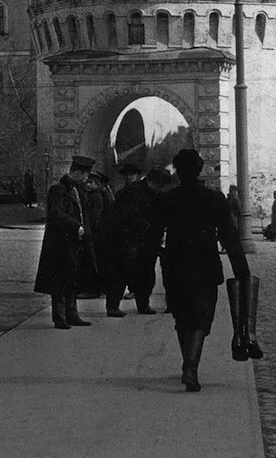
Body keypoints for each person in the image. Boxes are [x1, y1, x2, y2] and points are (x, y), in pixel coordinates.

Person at [149, 149, 258, 393]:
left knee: (181, 316)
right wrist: (242, 270)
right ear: (200, 170)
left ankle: (188, 364)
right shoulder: (214, 198)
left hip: (175, 266)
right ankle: (191, 367)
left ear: (177, 170)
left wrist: (146, 265)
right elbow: (229, 237)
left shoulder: (168, 199)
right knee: (201, 317)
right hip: (205, 266)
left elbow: (153, 234)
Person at [33, 155, 96, 330]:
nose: (85, 179)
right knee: (59, 281)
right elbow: (55, 213)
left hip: (75, 242)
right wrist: (76, 226)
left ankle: (72, 314)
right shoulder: (58, 190)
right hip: (60, 243)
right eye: (84, 175)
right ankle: (59, 318)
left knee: (72, 279)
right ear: (76, 172)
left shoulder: (78, 190)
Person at [102, 162, 159, 317]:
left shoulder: (142, 192)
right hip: (126, 239)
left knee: (143, 273)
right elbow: (127, 216)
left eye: (131, 174)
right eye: (127, 174)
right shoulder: (130, 192)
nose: (129, 177)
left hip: (139, 240)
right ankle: (114, 306)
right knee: (121, 273)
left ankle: (142, 304)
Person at [77, 171, 114, 296]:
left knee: (91, 262)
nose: (87, 185)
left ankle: (91, 290)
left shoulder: (95, 196)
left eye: (90, 183)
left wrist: (88, 231)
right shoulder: (96, 194)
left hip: (95, 234)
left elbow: (94, 217)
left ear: (96, 184)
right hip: (97, 233)